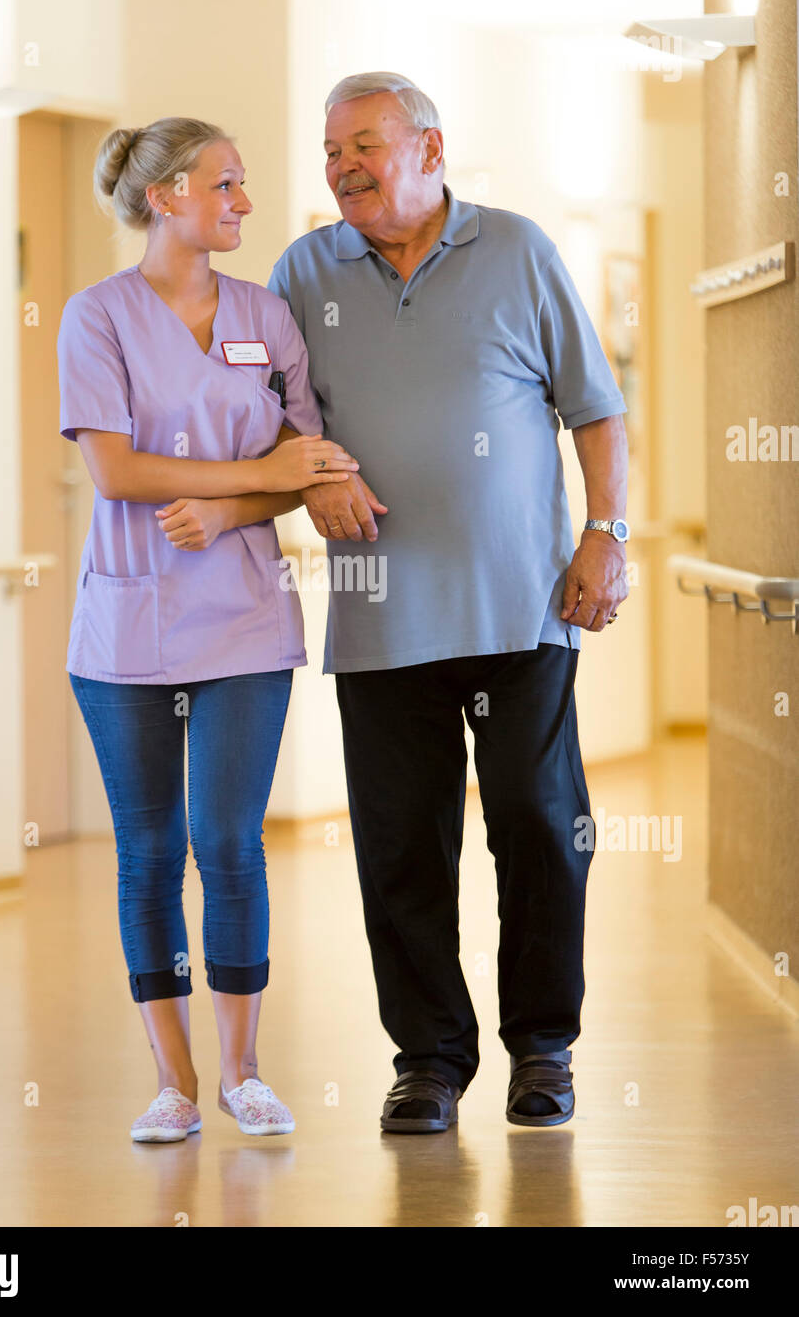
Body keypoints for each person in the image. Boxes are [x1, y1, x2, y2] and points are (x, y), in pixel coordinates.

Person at [268, 71, 630, 1132]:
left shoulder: (515, 250)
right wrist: (315, 470)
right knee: (398, 844)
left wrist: (604, 535)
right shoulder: (304, 270)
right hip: (381, 619)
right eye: (329, 150)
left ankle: (542, 1047)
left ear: (428, 147)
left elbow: (594, 412)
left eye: (363, 144)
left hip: (521, 605)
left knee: (535, 818)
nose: (341, 166)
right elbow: (275, 421)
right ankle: (427, 1059)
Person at [57, 116, 356, 1141]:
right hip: (126, 623)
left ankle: (242, 1072)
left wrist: (240, 504)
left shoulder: (265, 316)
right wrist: (258, 473)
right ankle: (174, 1086)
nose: (242, 202)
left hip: (242, 617)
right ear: (165, 197)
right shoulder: (95, 319)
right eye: (225, 184)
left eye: (241, 184)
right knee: (147, 851)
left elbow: (303, 458)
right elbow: (117, 472)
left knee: (227, 842)